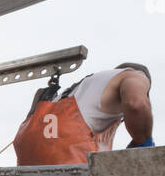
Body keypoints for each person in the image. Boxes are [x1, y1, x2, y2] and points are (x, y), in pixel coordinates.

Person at [12, 64, 154, 165]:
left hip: (29, 139)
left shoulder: (89, 84)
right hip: (65, 143)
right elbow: (136, 104)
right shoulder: (135, 75)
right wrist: (144, 142)